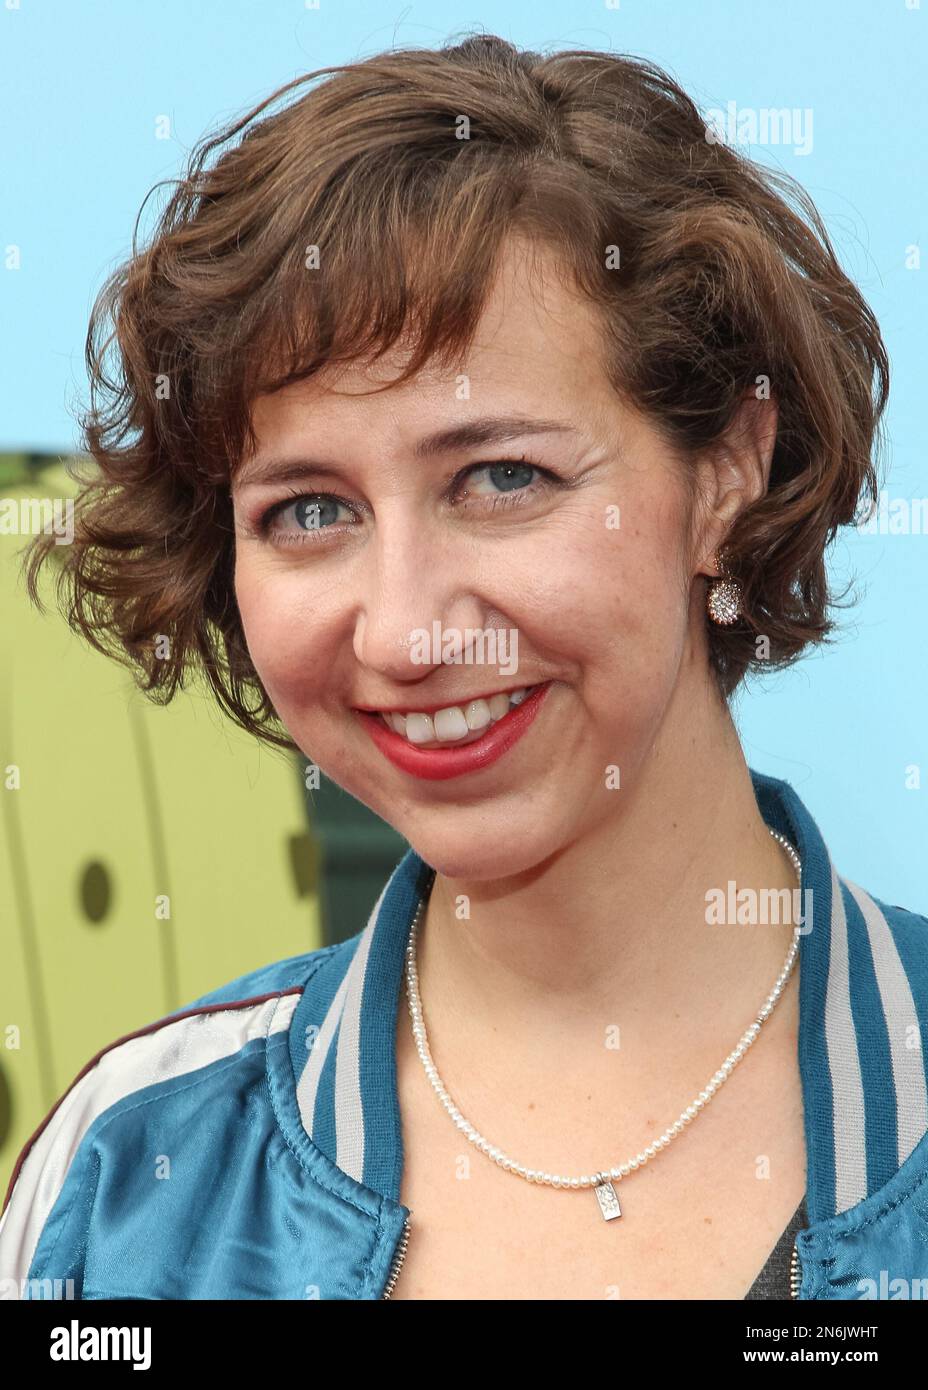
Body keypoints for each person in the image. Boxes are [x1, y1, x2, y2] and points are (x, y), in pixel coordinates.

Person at [2, 34, 926, 1302]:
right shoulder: (121, 1181)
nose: (403, 633)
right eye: (309, 510)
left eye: (501, 478)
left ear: (725, 470)